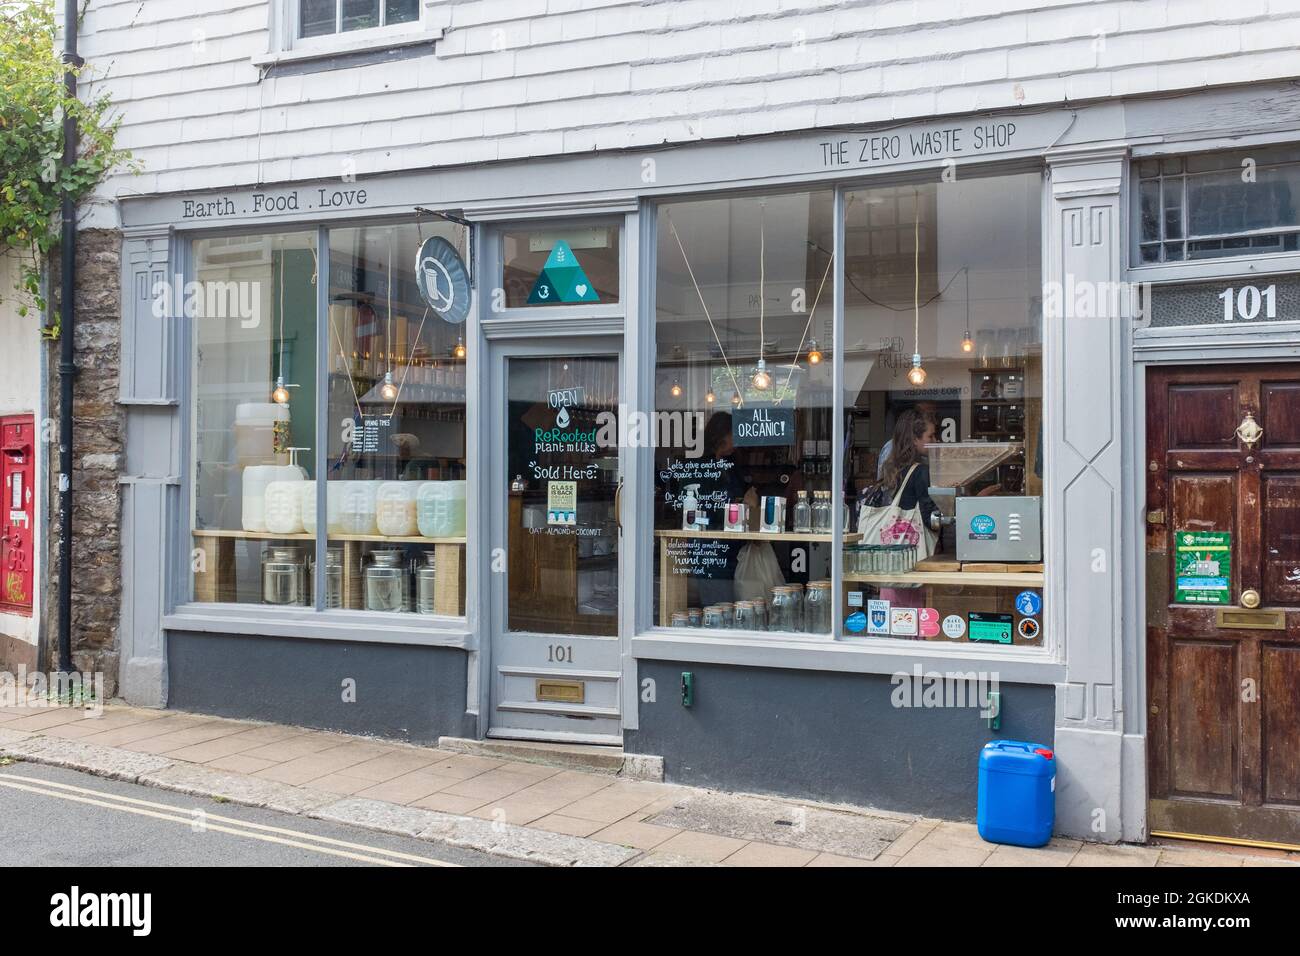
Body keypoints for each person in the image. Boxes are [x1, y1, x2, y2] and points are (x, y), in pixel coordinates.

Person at [687, 412, 757, 607]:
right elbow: (696, 512)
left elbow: (739, 496)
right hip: (709, 548)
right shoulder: (698, 466)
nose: (739, 439)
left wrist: (746, 500)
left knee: (735, 603)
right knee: (719, 604)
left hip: (733, 547)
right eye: (735, 433)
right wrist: (741, 504)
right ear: (722, 435)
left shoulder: (732, 465)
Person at [880, 408, 937, 530]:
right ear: (915, 439)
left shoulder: (890, 465)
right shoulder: (920, 471)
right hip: (912, 544)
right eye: (930, 436)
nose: (935, 441)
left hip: (892, 538)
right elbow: (929, 519)